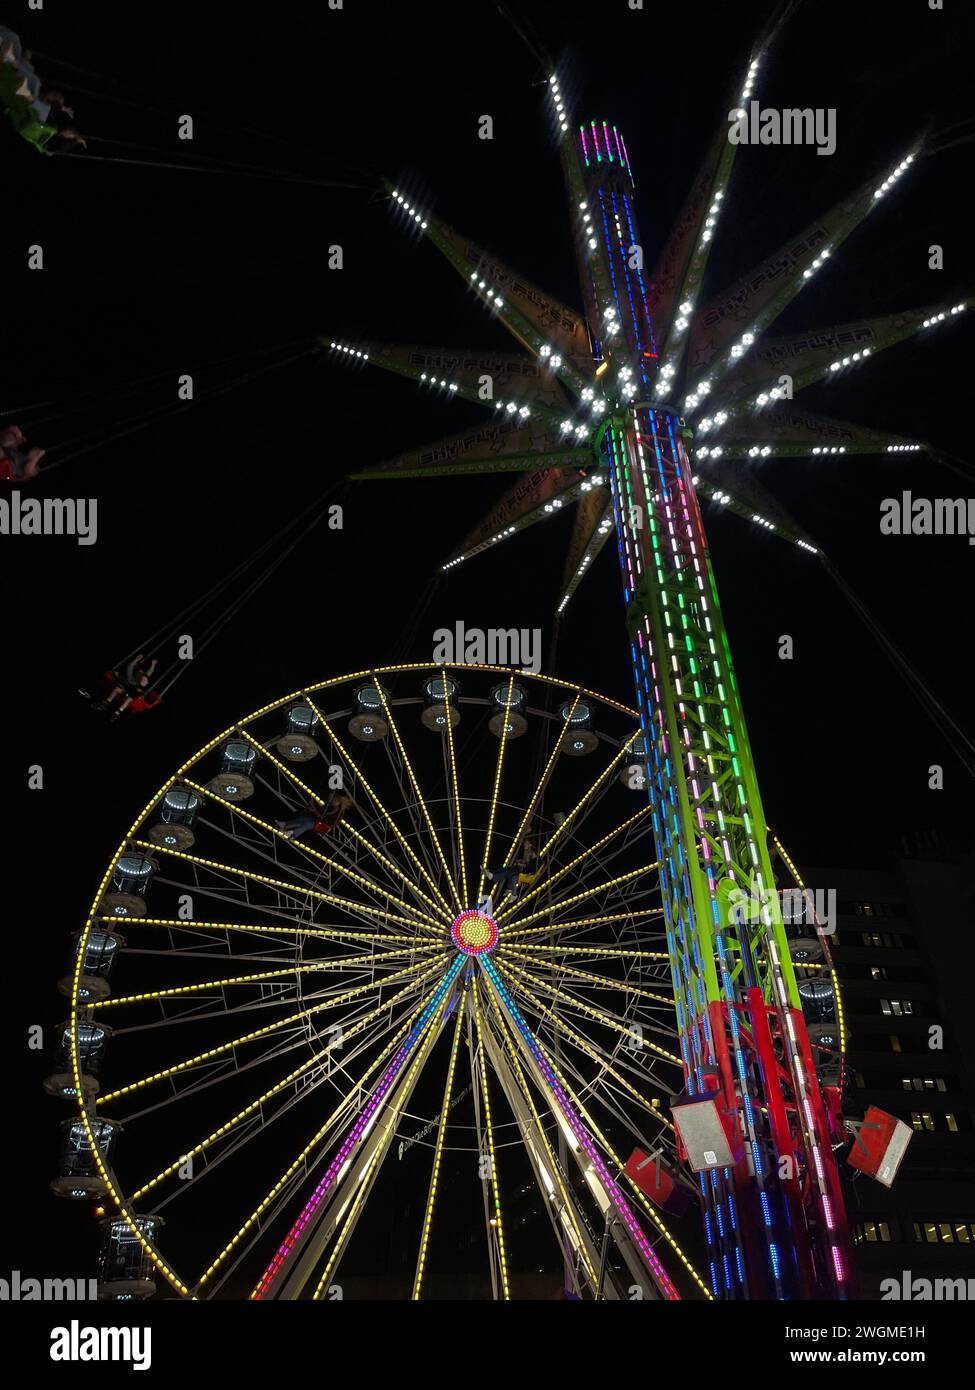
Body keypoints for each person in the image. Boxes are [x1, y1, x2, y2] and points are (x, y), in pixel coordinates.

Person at [84, 655, 159, 720]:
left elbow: (150, 672)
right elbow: (130, 666)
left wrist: (153, 664)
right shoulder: (131, 678)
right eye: (139, 673)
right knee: (116, 689)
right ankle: (104, 703)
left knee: (129, 699)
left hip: (131, 697)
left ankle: (117, 713)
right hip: (124, 691)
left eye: (142, 674)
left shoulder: (143, 681)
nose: (140, 674)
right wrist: (137, 659)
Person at [277, 792, 354, 840]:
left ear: (339, 803)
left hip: (324, 826)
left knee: (307, 824)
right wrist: (312, 809)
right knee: (304, 819)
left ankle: (292, 835)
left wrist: (314, 810)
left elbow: (326, 819)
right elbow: (319, 812)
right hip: (318, 821)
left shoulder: (338, 812)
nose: (333, 800)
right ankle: (285, 824)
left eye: (336, 800)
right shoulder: (329, 806)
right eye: (333, 799)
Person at [485, 836, 538, 903]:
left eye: (526, 843)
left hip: (527, 875)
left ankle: (492, 875)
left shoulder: (533, 854)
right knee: (510, 871)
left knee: (511, 870)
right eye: (524, 843)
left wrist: (521, 864)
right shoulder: (526, 851)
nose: (524, 844)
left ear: (530, 845)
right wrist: (520, 861)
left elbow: (531, 868)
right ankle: (492, 874)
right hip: (521, 871)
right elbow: (526, 862)